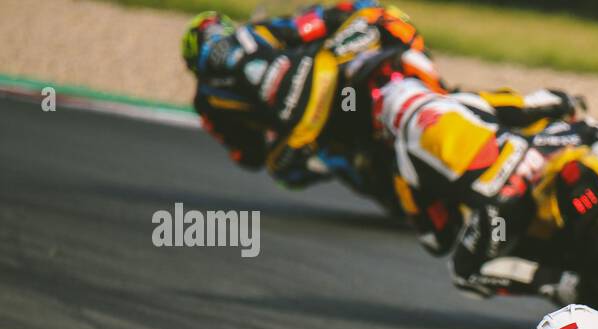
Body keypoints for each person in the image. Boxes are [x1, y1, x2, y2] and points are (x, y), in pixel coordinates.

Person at [375, 76, 598, 302]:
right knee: (594, 129)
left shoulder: (402, 168)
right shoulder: (462, 101)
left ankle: (562, 284)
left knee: (466, 275)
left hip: (496, 206)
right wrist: (564, 101)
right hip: (533, 159)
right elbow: (528, 105)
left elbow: (437, 239)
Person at [180, 3, 444, 190]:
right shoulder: (254, 33)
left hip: (325, 119)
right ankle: (437, 91)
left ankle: (354, 162)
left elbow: (248, 156)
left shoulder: (207, 105)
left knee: (284, 171)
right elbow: (305, 26)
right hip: (335, 104)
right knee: (374, 14)